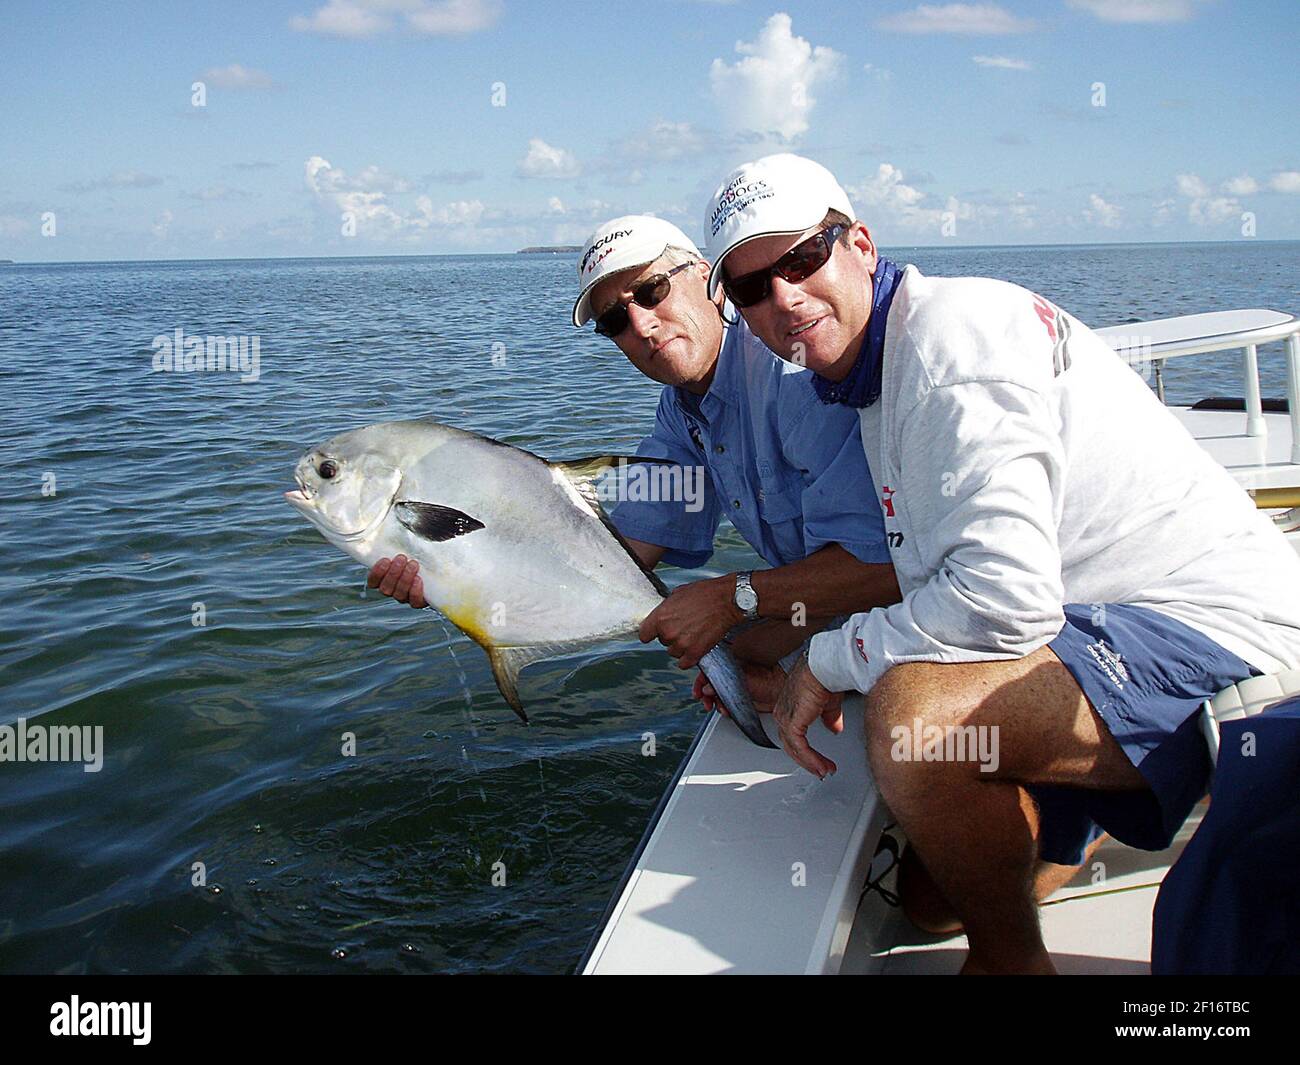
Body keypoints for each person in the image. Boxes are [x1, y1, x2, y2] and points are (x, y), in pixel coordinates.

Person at [704, 152, 1300, 973]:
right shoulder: (878, 371)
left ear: (862, 245)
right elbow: (938, 582)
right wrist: (814, 668)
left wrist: (830, 661)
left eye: (803, 259)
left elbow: (1000, 603)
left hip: (1221, 633)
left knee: (917, 726)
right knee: (926, 896)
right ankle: (1068, 833)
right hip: (1089, 624)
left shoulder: (951, 349)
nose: (785, 298)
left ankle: (1011, 962)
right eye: (750, 288)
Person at [368, 214, 899, 708]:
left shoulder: (795, 375)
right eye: (614, 320)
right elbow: (623, 555)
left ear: (711, 279)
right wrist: (454, 575)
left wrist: (732, 600)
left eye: (652, 292)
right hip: (832, 623)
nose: (642, 326)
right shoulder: (682, 407)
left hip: (915, 624)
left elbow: (888, 565)